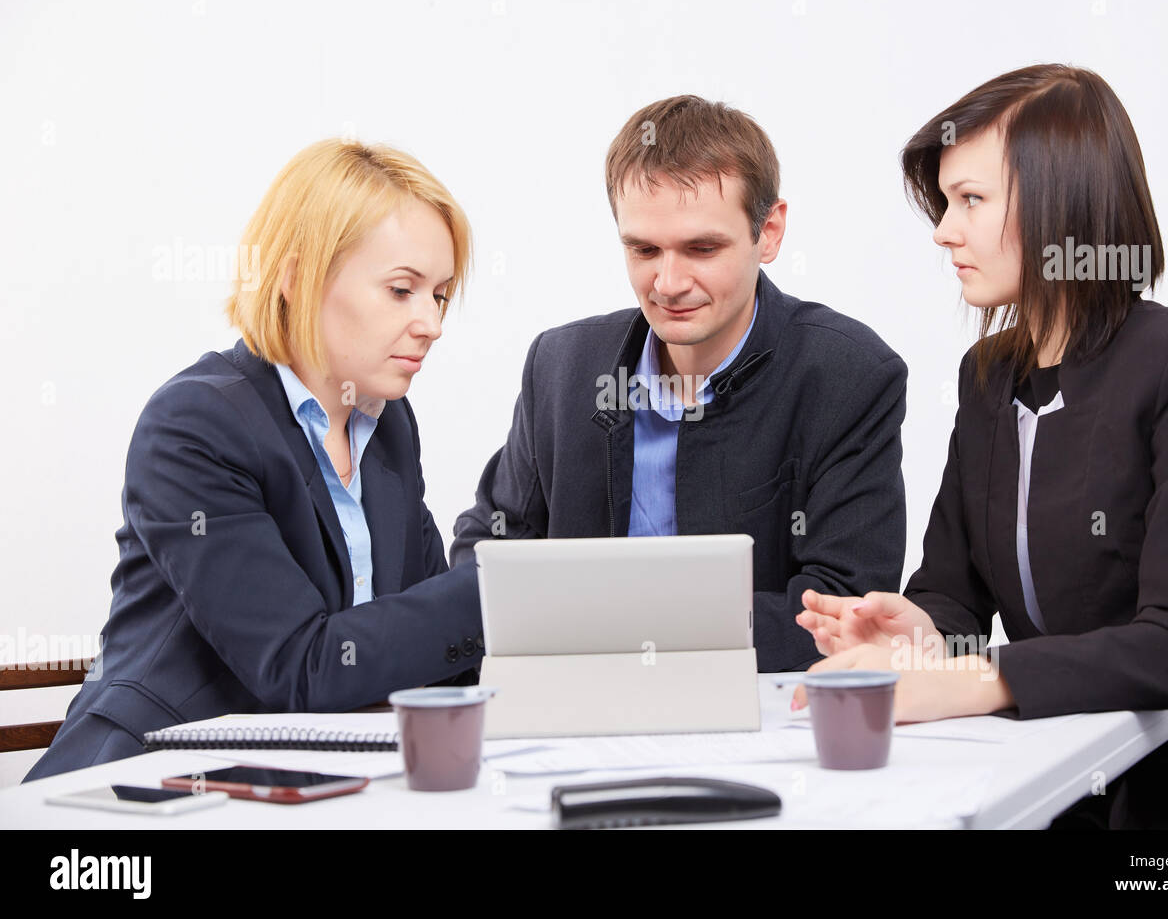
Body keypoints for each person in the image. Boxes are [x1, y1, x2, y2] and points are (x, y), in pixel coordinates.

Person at [794, 64, 1168, 828]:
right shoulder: (987, 376)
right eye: (945, 202)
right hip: (1069, 774)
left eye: (970, 200)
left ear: (1064, 201)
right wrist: (922, 635)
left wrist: (972, 680)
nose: (943, 231)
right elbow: (955, 594)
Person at [24, 139, 485, 782]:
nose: (432, 323)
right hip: (147, 783)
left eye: (438, 295)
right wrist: (502, 586)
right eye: (402, 290)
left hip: (305, 782)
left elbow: (425, 630)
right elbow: (302, 666)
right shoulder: (194, 426)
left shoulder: (387, 422)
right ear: (296, 278)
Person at [450, 95, 908, 672]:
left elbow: (846, 610)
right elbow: (486, 553)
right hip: (576, 714)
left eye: (701, 248)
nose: (667, 283)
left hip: (762, 720)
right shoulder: (561, 365)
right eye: (643, 249)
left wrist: (606, 628)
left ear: (769, 232)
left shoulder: (850, 374)